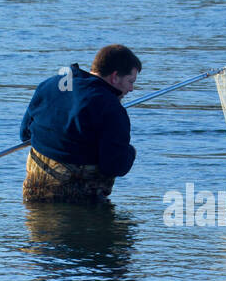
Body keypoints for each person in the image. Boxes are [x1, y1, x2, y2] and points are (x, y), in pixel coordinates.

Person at [19, 44, 140, 203]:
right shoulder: (111, 109)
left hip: (33, 197)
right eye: (130, 81)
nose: (131, 89)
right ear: (115, 76)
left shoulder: (52, 83)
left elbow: (25, 134)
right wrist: (130, 152)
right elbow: (114, 166)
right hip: (77, 203)